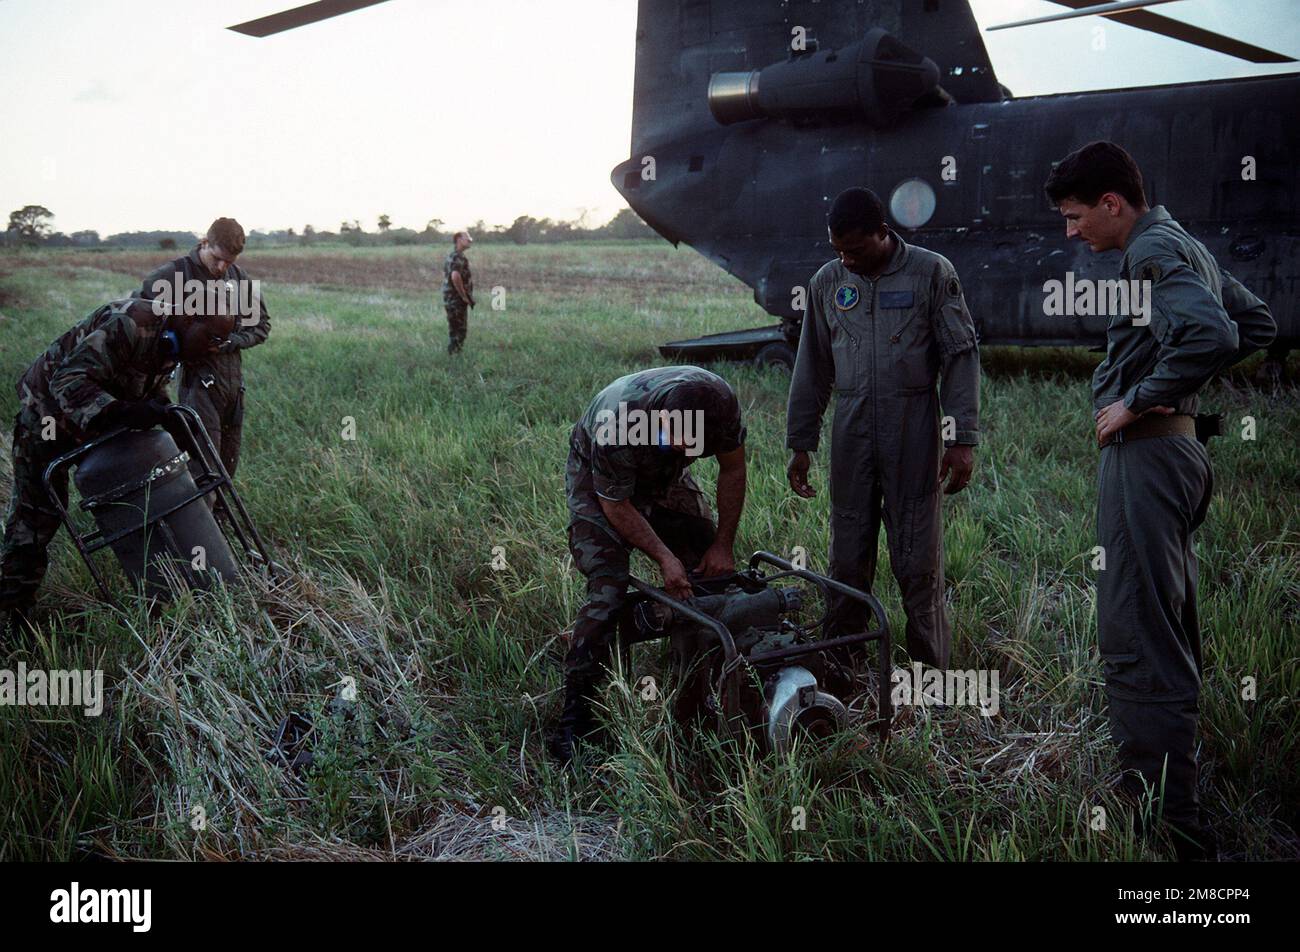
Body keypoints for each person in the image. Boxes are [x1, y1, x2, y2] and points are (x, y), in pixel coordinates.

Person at [1044, 140, 1276, 861]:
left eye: (1078, 216)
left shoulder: (1149, 252)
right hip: (1181, 453)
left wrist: (1142, 400)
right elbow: (1256, 324)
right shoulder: (1178, 242)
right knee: (1164, 621)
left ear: (1114, 203)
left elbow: (1211, 332)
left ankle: (1173, 828)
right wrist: (1173, 396)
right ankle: (1166, 785)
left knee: (1138, 632)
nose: (1071, 231)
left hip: (1146, 457)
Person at [786, 187, 980, 671]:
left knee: (917, 562)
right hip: (851, 432)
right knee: (847, 558)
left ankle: (927, 673)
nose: (847, 260)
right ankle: (842, 665)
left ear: (883, 233)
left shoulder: (932, 273)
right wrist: (801, 442)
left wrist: (960, 440)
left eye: (856, 249)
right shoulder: (827, 283)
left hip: (913, 427)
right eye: (838, 250)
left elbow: (960, 356)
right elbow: (811, 366)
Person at [1, 299, 237, 637]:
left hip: (96, 418)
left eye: (222, 343)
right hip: (47, 416)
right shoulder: (131, 322)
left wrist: (167, 416)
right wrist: (123, 412)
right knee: (35, 520)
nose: (215, 350)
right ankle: (11, 618)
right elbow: (67, 381)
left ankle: (168, 585)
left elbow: (143, 380)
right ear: (189, 319)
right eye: (213, 338)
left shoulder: (174, 341)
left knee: (138, 487)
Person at [551, 366, 748, 764]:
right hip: (601, 483)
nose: (681, 448)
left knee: (710, 575)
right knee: (608, 587)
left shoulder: (721, 405)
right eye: (671, 439)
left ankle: (698, 685)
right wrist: (663, 557)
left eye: (689, 446)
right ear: (658, 419)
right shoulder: (617, 420)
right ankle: (575, 715)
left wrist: (722, 545)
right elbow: (615, 504)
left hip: (664, 478)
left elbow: (733, 468)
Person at [139, 217, 270, 484]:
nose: (222, 267)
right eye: (217, 258)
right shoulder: (174, 274)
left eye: (229, 262)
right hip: (198, 383)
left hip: (233, 385)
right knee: (203, 467)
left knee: (227, 465)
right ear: (204, 243)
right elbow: (137, 319)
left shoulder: (238, 277)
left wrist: (232, 341)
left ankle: (221, 522)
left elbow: (261, 326)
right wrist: (173, 343)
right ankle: (198, 523)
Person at [442, 231, 474, 354]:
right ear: (459, 240)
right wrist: (463, 296)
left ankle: (453, 355)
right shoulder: (458, 257)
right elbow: (455, 276)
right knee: (459, 330)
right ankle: (455, 356)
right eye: (467, 238)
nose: (470, 240)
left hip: (450, 298)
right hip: (456, 299)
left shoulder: (452, 256)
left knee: (454, 328)